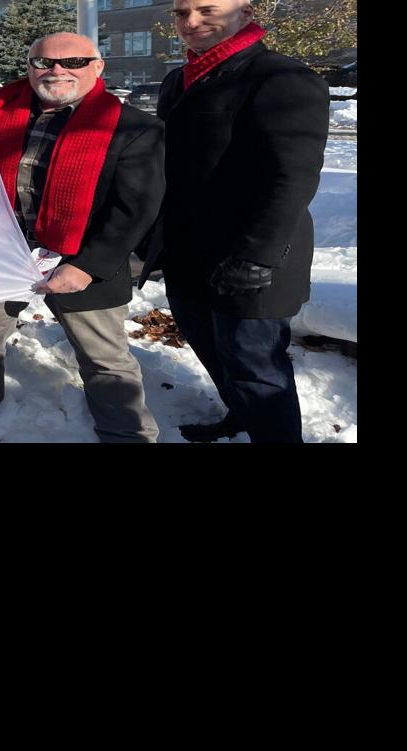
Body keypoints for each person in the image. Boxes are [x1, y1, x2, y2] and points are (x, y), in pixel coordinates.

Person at [0, 32, 164, 443]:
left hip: (81, 258)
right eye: (44, 63)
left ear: (98, 67)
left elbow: (134, 210)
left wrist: (87, 266)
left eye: (74, 62)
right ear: (29, 67)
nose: (57, 71)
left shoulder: (134, 128)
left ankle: (128, 433)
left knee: (105, 357)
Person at [145, 0, 328, 443]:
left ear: (245, 13)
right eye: (181, 12)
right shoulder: (179, 79)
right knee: (212, 349)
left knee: (256, 368)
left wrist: (257, 255)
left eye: (207, 9)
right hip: (189, 252)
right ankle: (242, 417)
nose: (191, 22)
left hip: (251, 255)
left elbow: (292, 176)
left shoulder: (282, 78)